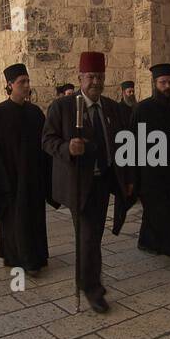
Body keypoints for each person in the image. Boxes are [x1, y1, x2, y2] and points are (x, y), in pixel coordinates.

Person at [42, 51, 134, 314]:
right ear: (80, 77)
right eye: (90, 76)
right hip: (78, 184)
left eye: (100, 76)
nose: (95, 81)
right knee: (88, 236)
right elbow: (47, 141)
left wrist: (127, 180)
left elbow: (123, 146)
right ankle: (92, 288)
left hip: (103, 182)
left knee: (94, 234)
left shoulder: (113, 108)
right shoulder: (63, 107)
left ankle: (88, 280)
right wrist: (67, 147)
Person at [0, 63, 49, 274]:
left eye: (28, 81)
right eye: (21, 82)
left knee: (33, 218)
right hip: (8, 180)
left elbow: (44, 145)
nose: (26, 86)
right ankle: (18, 258)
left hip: (33, 178)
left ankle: (35, 257)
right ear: (10, 85)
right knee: (14, 220)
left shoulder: (35, 113)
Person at [132, 63, 170, 266]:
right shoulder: (143, 109)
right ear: (155, 84)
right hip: (151, 172)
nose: (166, 86)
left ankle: (147, 241)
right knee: (162, 210)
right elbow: (133, 142)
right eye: (162, 82)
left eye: (169, 82)